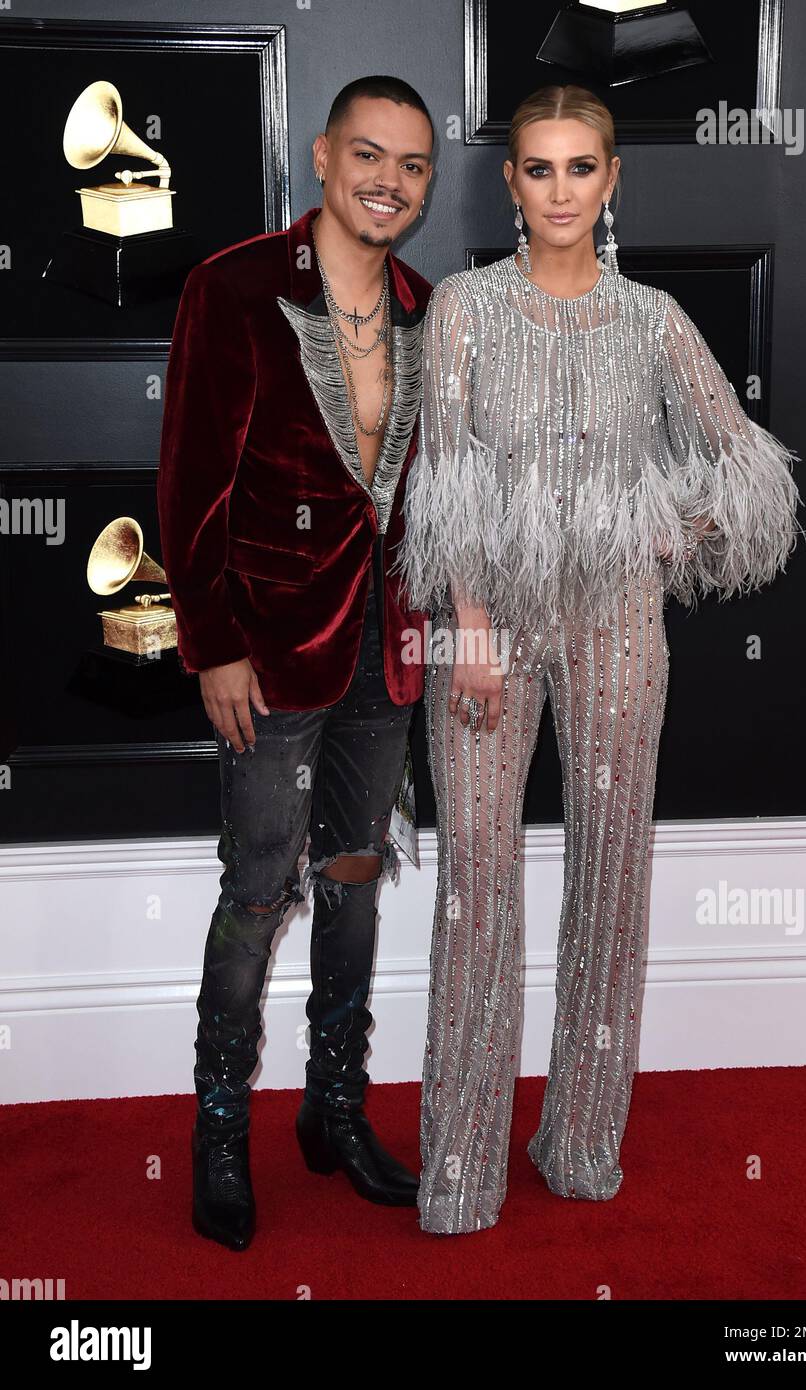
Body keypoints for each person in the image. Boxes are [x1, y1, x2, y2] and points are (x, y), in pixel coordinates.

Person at [392, 84, 804, 1235]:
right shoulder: (464, 309)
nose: (560, 191)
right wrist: (467, 626)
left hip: (621, 625)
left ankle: (578, 1142)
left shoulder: (655, 320)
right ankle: (462, 1169)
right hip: (488, 628)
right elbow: (448, 485)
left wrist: (663, 519)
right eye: (538, 169)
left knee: (611, 880)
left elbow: (746, 469)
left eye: (581, 169)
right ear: (510, 182)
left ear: (610, 181)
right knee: (477, 882)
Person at [157, 76, 435, 1250]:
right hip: (267, 652)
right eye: (368, 154)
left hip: (386, 643)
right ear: (322, 156)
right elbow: (187, 481)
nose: (389, 180)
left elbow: (428, 492)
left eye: (412, 165)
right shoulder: (235, 286)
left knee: (357, 874)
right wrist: (212, 643)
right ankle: (220, 1125)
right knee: (258, 888)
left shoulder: (427, 304)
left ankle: (334, 1106)